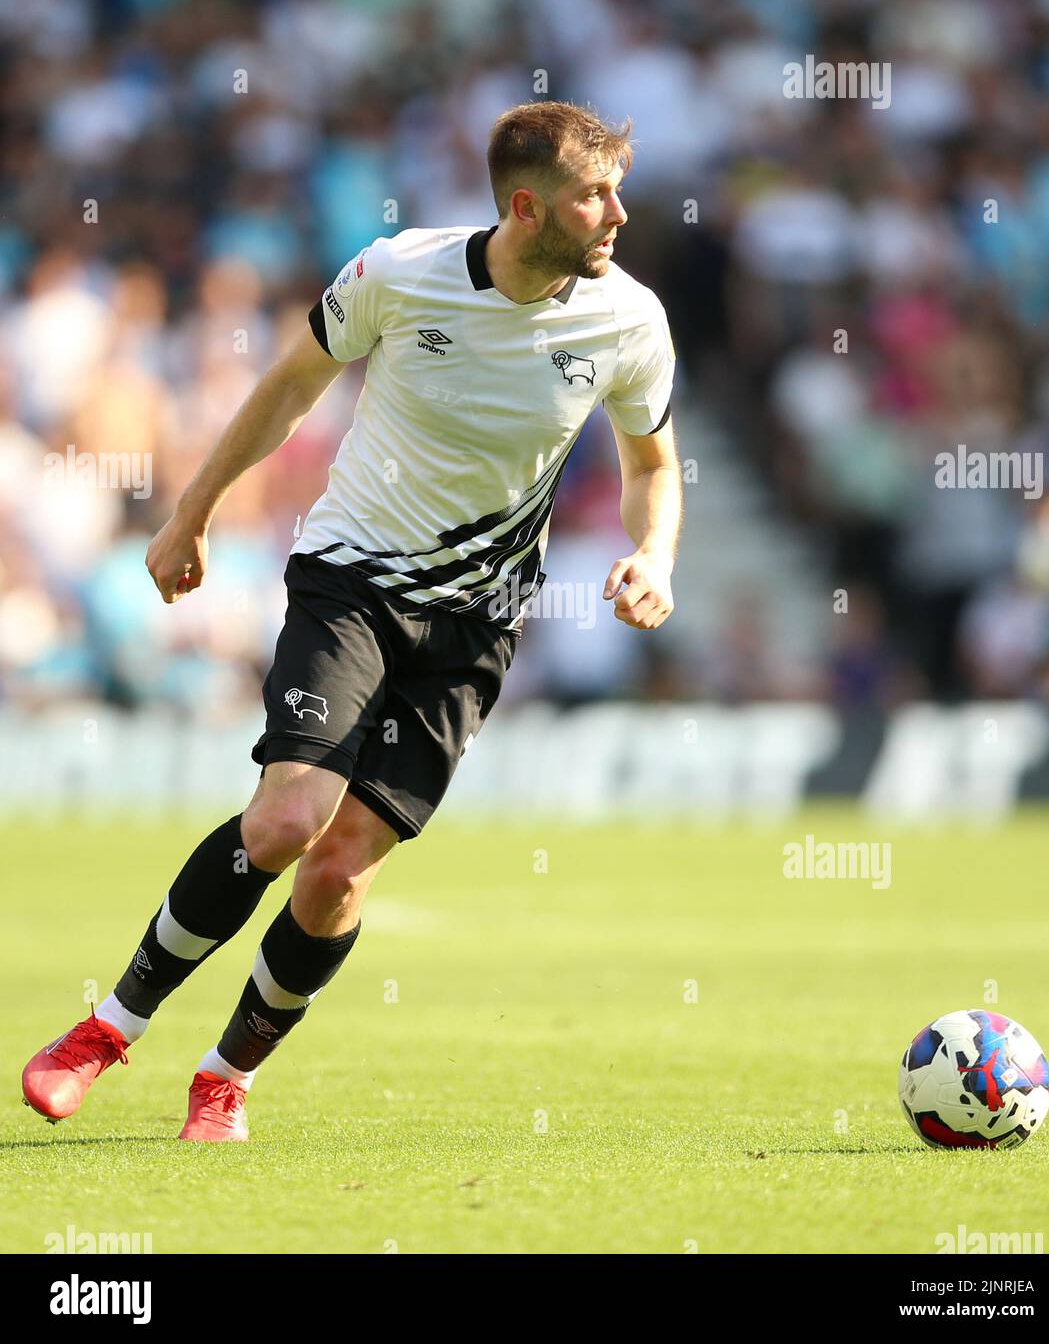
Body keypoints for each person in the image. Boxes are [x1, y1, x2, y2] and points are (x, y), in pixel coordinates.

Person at [22, 100, 682, 1141]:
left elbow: (652, 465)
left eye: (617, 189)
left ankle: (227, 1074)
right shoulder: (399, 273)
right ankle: (108, 1026)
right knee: (288, 821)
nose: (618, 214)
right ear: (525, 206)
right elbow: (290, 385)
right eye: (594, 195)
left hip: (477, 621)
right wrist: (188, 516)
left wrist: (655, 552)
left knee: (341, 868)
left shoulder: (626, 320)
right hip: (354, 580)